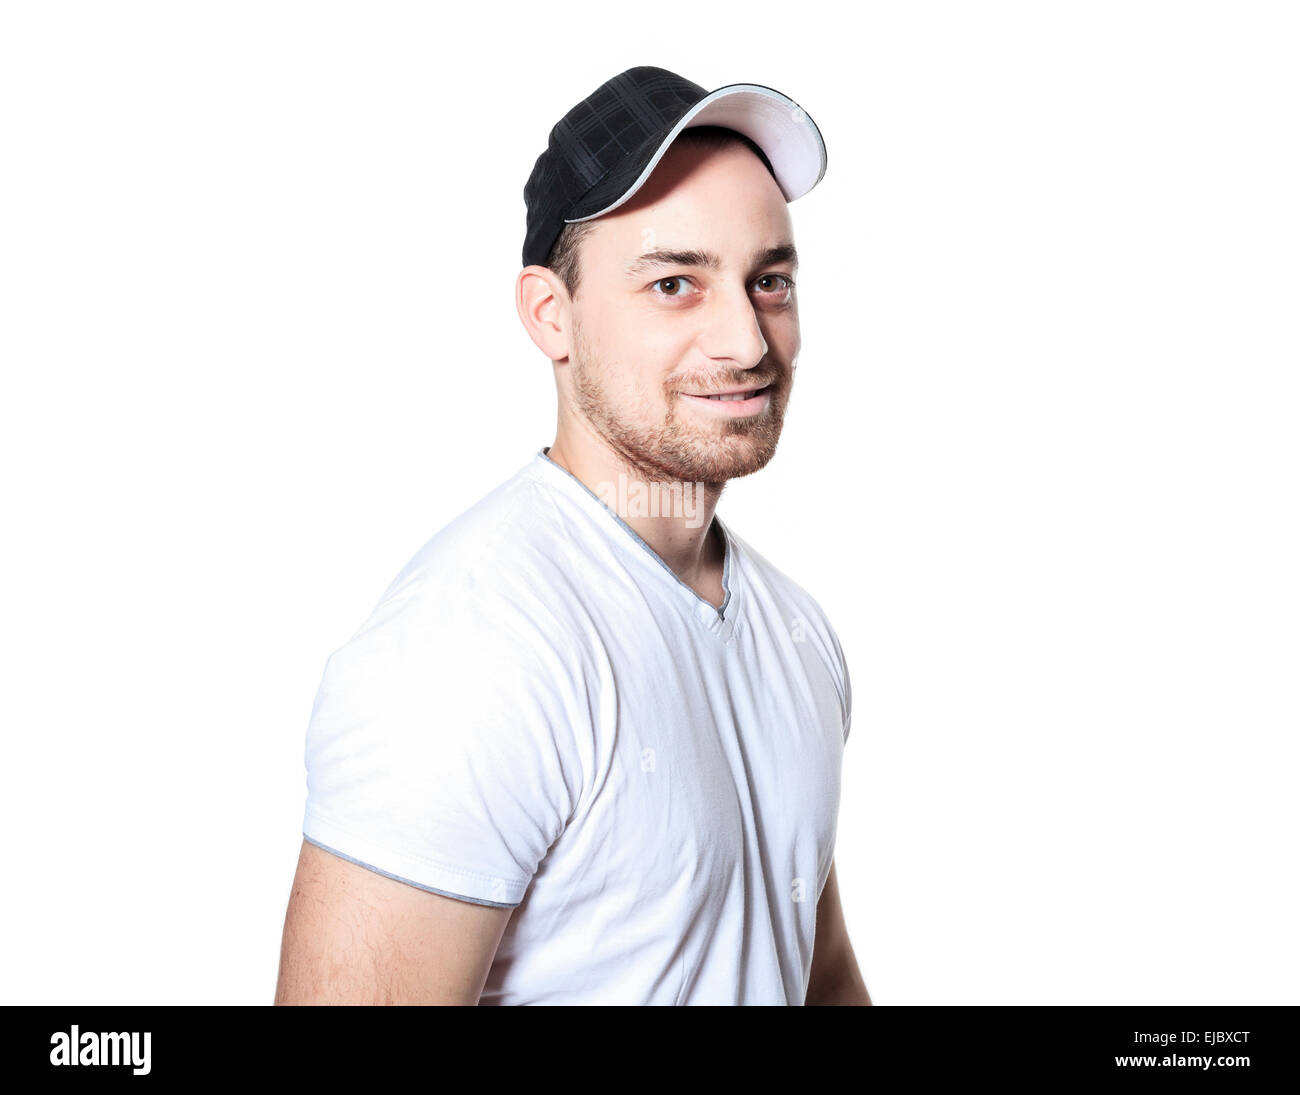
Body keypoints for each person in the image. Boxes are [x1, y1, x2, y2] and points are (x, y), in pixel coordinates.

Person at [274, 65, 871, 1006]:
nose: (748, 343)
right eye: (676, 282)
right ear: (552, 315)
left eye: (771, 282)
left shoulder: (798, 635)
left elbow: (819, 976)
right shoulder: (471, 652)